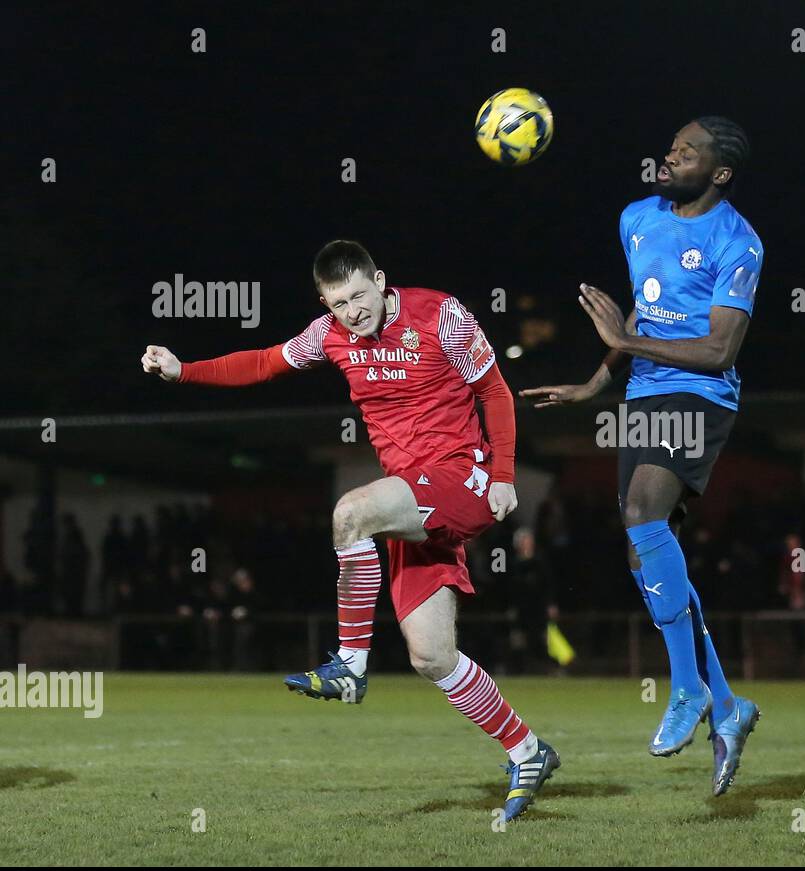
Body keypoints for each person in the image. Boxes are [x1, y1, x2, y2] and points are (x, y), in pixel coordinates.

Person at [141, 240, 558, 821]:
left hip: (464, 478)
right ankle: (528, 750)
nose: (353, 311)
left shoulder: (442, 315)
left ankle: (352, 666)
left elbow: (494, 390)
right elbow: (263, 362)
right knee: (432, 656)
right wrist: (184, 370)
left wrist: (506, 474)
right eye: (339, 302)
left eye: (360, 295)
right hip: (411, 506)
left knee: (349, 513)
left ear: (381, 281)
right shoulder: (328, 335)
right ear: (325, 302)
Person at [521, 117, 763, 795]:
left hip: (701, 393)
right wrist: (597, 380)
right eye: (672, 144)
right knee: (642, 549)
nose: (671, 154)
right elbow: (641, 317)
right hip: (642, 394)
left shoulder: (738, 241)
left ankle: (687, 690)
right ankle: (729, 704)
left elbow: (720, 350)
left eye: (689, 152)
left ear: (719, 174)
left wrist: (625, 347)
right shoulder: (637, 217)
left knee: (640, 510)